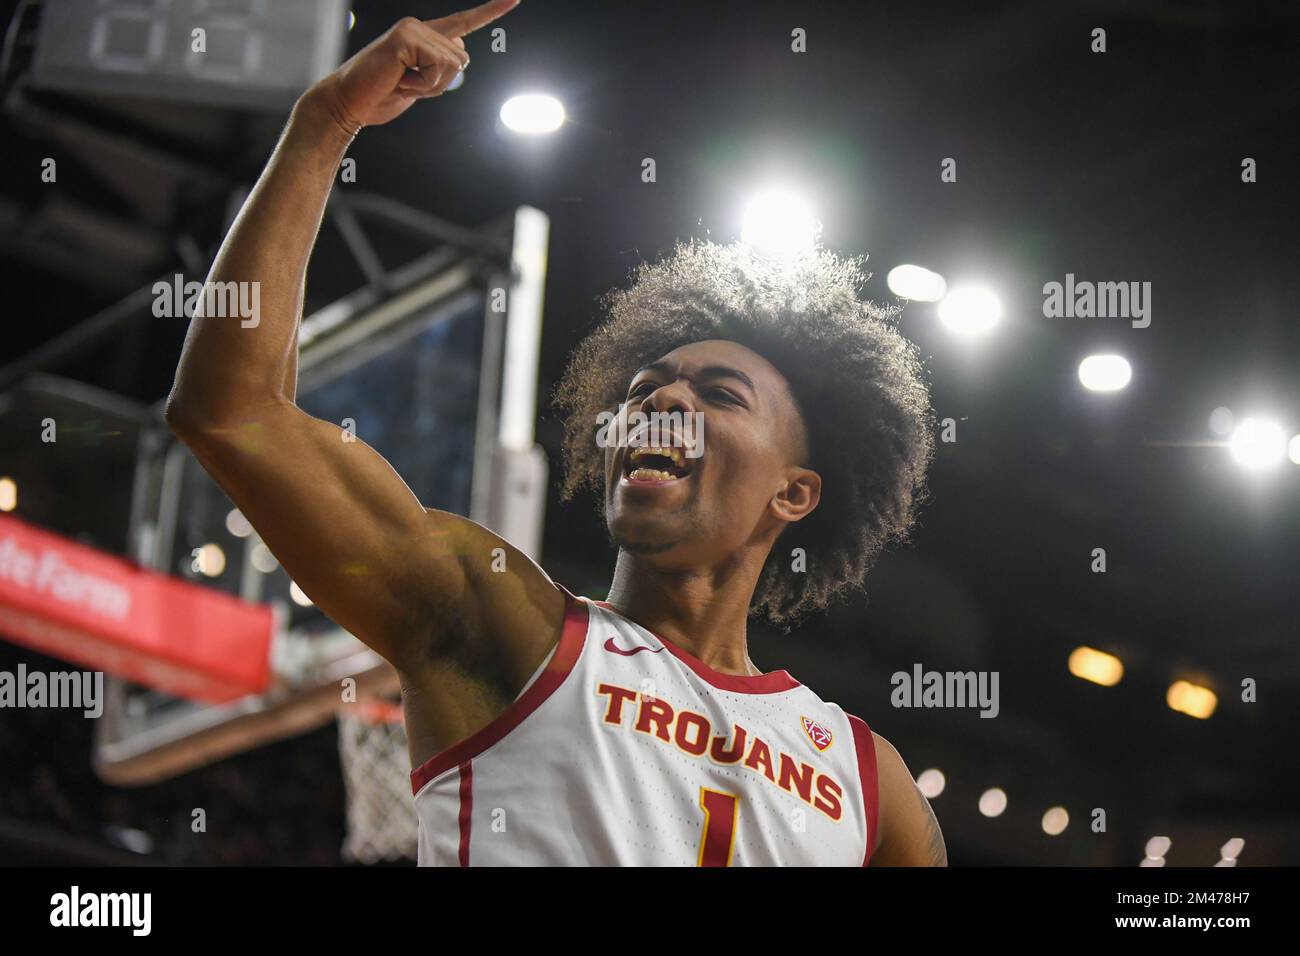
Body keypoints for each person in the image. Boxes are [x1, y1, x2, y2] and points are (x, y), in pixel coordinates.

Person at [165, 0, 946, 866]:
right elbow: (233, 412)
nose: (660, 403)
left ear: (794, 492)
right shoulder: (504, 624)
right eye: (646, 389)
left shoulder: (869, 784)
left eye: (719, 394)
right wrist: (326, 123)